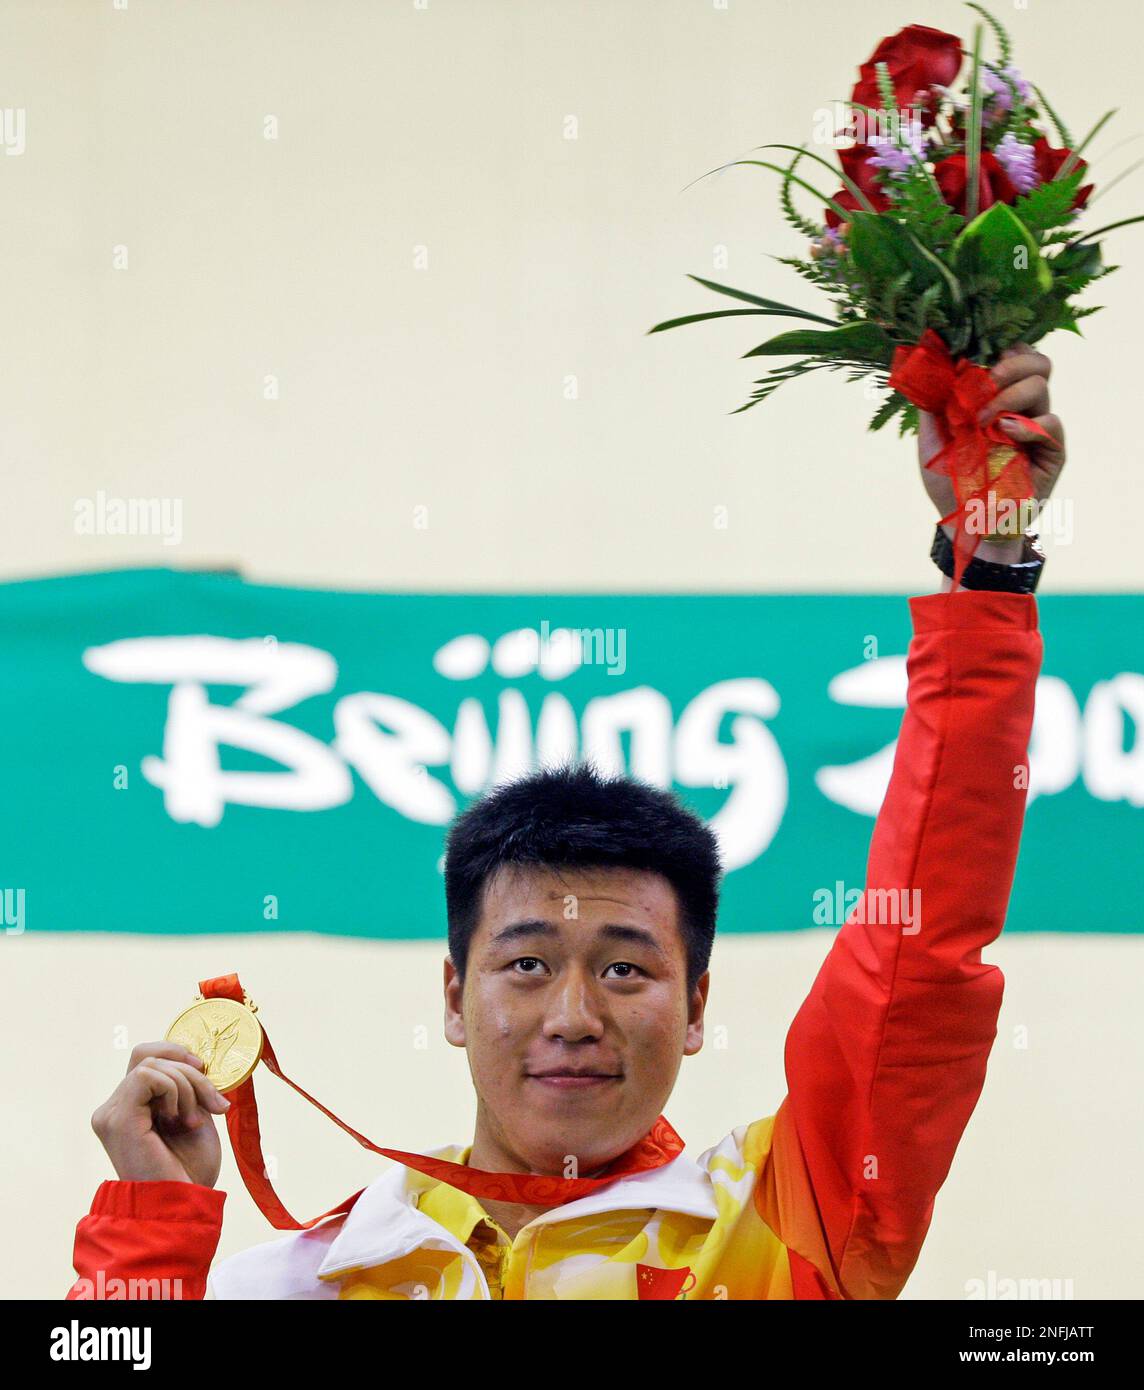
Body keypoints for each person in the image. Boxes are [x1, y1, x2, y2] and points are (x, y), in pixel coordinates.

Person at [67, 345, 1065, 1299]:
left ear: (698, 1003)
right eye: (528, 962)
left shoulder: (783, 1223)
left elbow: (918, 956)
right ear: (454, 996)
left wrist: (988, 570)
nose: (574, 1017)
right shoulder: (302, 1280)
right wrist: (152, 1233)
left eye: (626, 967)